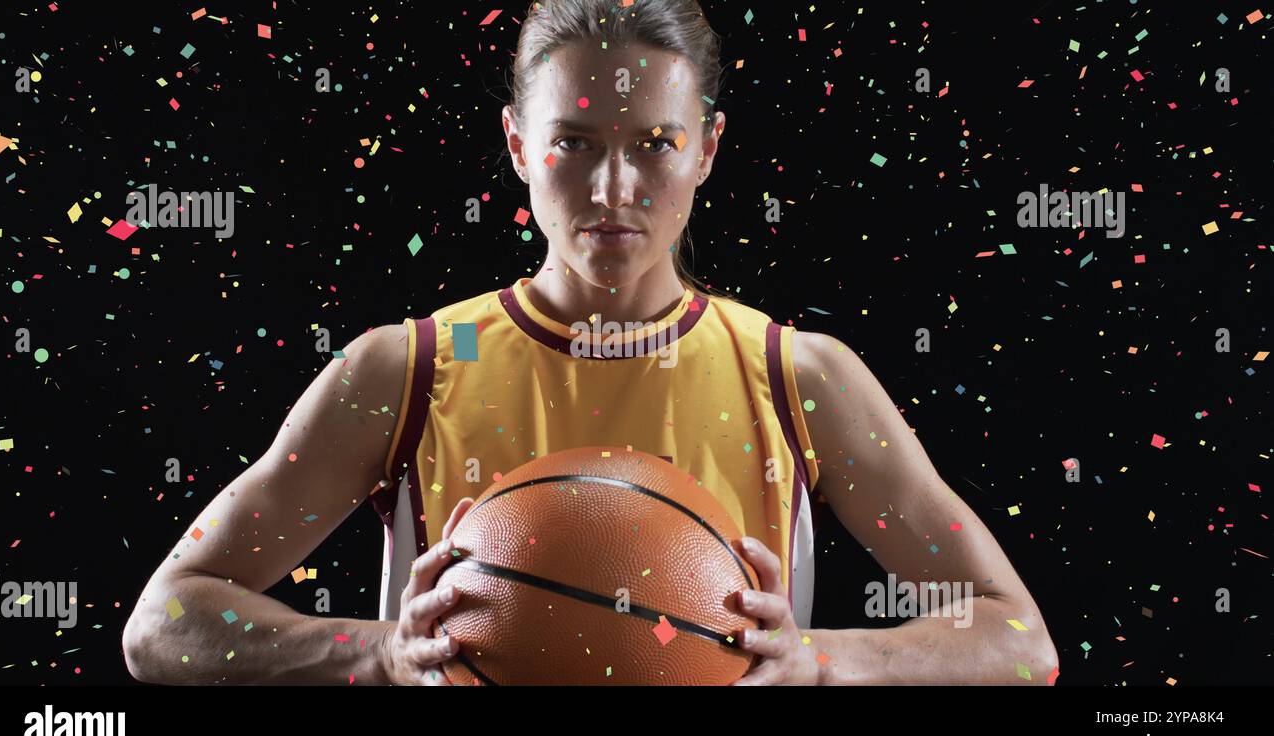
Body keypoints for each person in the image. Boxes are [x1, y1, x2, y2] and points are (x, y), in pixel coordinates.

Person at [123, 0, 1058, 685]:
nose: (614, 188)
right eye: (573, 142)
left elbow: (1018, 640)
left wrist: (816, 661)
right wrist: (379, 650)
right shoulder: (408, 367)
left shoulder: (796, 374)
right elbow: (164, 620)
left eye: (655, 142)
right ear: (519, 147)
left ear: (708, 149)